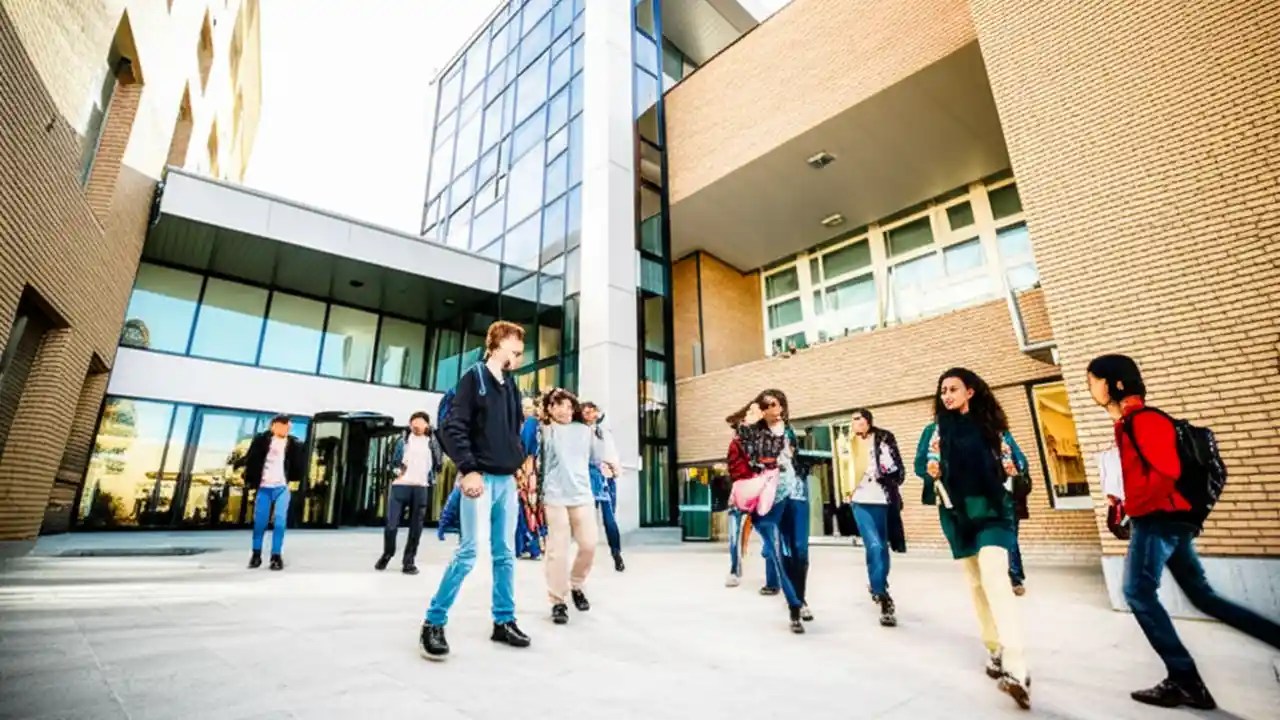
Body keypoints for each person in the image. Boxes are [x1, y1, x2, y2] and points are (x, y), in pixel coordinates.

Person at [1087, 354, 1280, 710]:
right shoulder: (1128, 422)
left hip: (1158, 521)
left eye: (1093, 381)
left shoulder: (1143, 420)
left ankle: (1184, 679)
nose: (1091, 389)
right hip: (1164, 520)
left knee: (1137, 593)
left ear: (1115, 384)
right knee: (1203, 597)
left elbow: (1166, 472)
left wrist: (1134, 510)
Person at [914, 368, 1032, 709]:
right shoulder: (934, 431)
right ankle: (994, 648)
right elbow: (922, 464)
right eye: (942, 391)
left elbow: (1019, 462)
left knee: (996, 577)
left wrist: (1010, 468)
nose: (946, 395)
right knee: (977, 583)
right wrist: (934, 465)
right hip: (958, 516)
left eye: (953, 389)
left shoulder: (993, 428)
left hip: (995, 514)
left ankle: (1016, 666)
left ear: (971, 392)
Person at [419, 321, 531, 660]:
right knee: (468, 552)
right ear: (496, 344)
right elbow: (452, 426)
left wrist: (520, 463)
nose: (518, 356)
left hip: (506, 481)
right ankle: (433, 622)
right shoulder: (474, 378)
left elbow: (513, 432)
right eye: (515, 349)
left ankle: (503, 621)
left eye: (520, 352)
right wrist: (468, 469)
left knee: (505, 554)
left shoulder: (511, 387)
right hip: (478, 479)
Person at [727, 389, 811, 634]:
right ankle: (794, 606)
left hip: (796, 492)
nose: (775, 409)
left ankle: (801, 597)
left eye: (777, 404)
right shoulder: (752, 433)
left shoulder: (790, 430)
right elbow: (760, 456)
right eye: (769, 406)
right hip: (769, 497)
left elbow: (794, 457)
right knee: (776, 551)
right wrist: (750, 426)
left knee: (800, 551)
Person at [537, 389, 611, 624]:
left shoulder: (585, 431)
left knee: (589, 544)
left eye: (569, 406)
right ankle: (558, 600)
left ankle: (577, 584)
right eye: (558, 405)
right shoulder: (545, 431)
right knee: (557, 550)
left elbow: (598, 455)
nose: (564, 411)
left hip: (582, 495)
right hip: (555, 496)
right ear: (549, 409)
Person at [847, 408, 907, 627]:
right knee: (872, 545)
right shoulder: (847, 442)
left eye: (859, 418)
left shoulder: (883, 437)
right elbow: (843, 468)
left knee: (882, 546)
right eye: (853, 419)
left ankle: (878, 583)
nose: (856, 422)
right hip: (859, 498)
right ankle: (883, 596)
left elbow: (898, 469)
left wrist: (887, 468)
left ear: (868, 420)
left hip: (882, 498)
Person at [235, 415, 306, 572]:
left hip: (281, 487)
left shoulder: (294, 444)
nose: (287, 429)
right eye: (284, 426)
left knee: (280, 522)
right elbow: (251, 460)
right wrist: (247, 477)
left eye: (289, 427)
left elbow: (299, 466)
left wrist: (295, 479)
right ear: (273, 426)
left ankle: (276, 556)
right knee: (260, 523)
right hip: (264, 487)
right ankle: (256, 554)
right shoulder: (261, 441)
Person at [377, 411, 443, 575]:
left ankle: (409, 561)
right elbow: (392, 462)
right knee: (391, 524)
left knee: (416, 527)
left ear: (427, 425)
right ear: (410, 424)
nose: (417, 426)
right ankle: (388, 552)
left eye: (421, 423)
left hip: (421, 487)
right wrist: (396, 472)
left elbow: (439, 462)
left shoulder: (432, 442)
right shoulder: (403, 441)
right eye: (414, 423)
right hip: (401, 486)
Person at [723, 403, 779, 591]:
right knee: (734, 535)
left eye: (753, 412)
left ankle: (773, 580)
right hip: (741, 492)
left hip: (762, 492)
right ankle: (734, 569)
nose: (749, 414)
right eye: (747, 411)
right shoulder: (737, 441)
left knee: (769, 536)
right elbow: (734, 468)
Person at [582, 402, 625, 572]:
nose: (591, 414)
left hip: (606, 478)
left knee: (610, 518)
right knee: (586, 520)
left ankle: (616, 554)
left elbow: (612, 453)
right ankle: (586, 556)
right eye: (587, 412)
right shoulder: (580, 432)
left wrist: (613, 469)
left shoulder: (603, 431)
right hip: (587, 478)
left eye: (593, 411)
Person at [515, 397, 545, 561]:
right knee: (528, 509)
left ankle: (530, 546)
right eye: (523, 407)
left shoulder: (532, 424)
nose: (526, 410)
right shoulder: (533, 424)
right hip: (531, 472)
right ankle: (530, 546)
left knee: (528, 509)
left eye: (528, 407)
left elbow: (525, 450)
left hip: (530, 471)